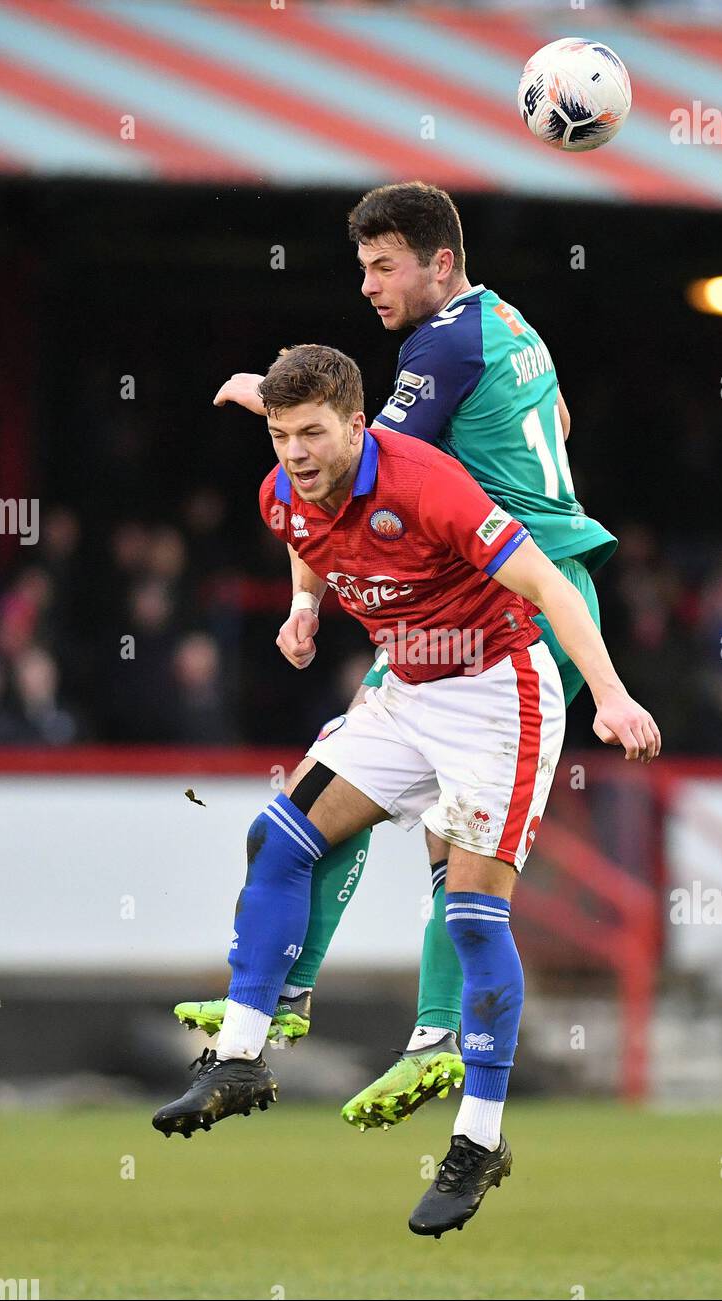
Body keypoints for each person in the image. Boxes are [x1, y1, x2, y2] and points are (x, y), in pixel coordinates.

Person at [153, 345, 660, 1238]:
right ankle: (239, 1055)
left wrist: (611, 696)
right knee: (278, 838)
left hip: (499, 693)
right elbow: (311, 538)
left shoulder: (425, 485)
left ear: (359, 424)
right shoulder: (282, 492)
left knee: (470, 915)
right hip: (406, 693)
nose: (296, 454)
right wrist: (304, 606)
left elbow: (543, 581)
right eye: (279, 436)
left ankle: (478, 1142)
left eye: (312, 433)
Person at [175, 182, 621, 1130]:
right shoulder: (507, 325)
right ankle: (403, 1028)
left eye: (384, 267)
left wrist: (269, 395)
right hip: (538, 573)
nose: (369, 286)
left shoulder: (443, 341)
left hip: (510, 595)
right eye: (363, 267)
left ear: (440, 264)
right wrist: (308, 597)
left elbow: (348, 462)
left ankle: (313, 1011)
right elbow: (563, 426)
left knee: (371, 808)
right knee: (416, 816)